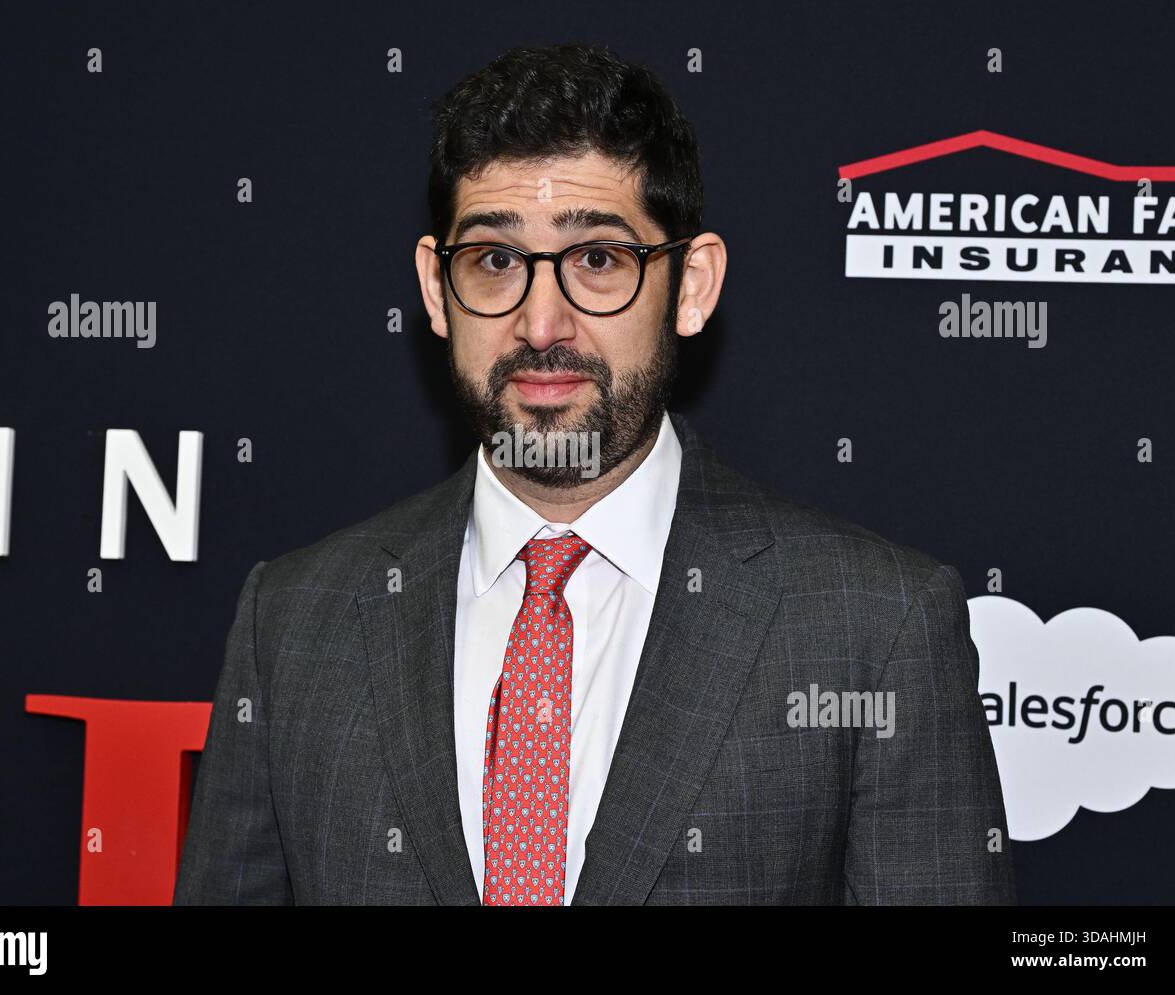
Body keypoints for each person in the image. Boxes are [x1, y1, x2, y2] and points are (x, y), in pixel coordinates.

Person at [174, 42, 1015, 906]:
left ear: (692, 285)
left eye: (599, 260)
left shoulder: (872, 628)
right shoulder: (293, 624)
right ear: (435, 288)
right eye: (496, 261)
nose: (542, 324)